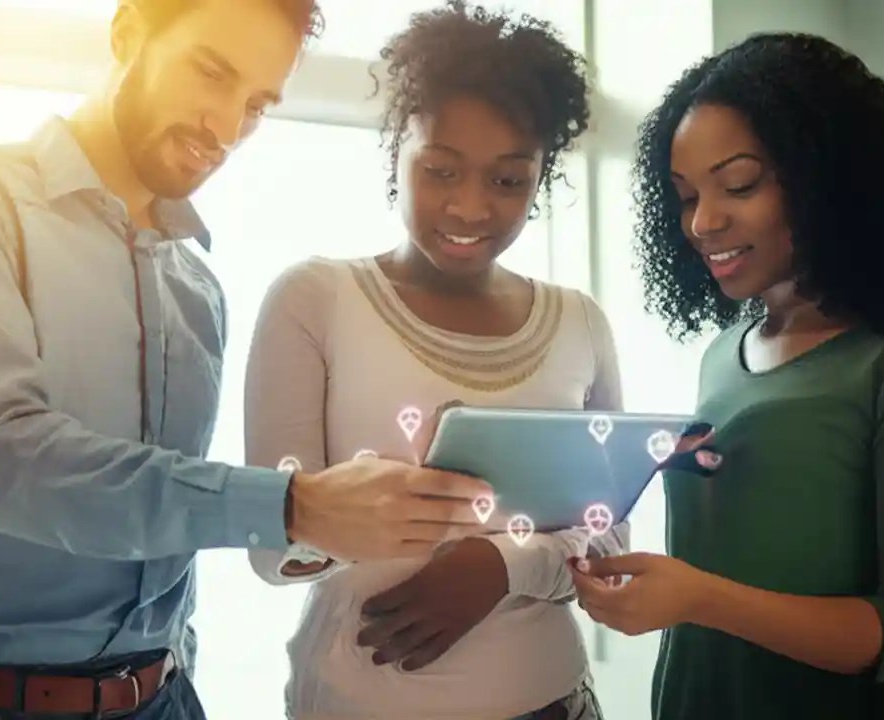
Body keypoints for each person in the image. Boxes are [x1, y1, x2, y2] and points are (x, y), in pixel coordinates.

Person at [0, 1, 493, 717]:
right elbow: (3, 459)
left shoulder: (197, 288)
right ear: (127, 32)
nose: (226, 129)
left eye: (257, 105)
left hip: (165, 696)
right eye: (210, 72)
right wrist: (296, 505)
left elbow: (165, 528)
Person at [568, 32, 884, 719]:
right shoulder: (721, 356)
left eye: (739, 184)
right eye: (684, 197)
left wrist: (699, 597)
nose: (703, 222)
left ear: (827, 176)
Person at [243, 3, 620, 718]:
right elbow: (269, 551)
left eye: (508, 181)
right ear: (396, 153)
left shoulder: (579, 323)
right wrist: (356, 514)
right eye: (441, 170)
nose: (471, 208)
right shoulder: (314, 299)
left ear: (541, 177)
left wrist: (499, 566)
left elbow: (609, 531)